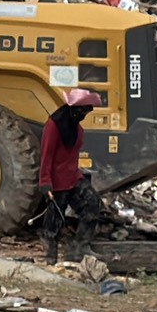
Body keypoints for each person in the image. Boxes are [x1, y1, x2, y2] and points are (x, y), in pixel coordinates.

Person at [38, 88, 103, 263]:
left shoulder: (77, 129)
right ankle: (50, 257)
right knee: (54, 222)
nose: (84, 115)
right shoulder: (54, 125)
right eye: (83, 111)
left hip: (73, 178)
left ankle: (79, 248)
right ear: (74, 109)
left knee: (92, 204)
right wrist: (45, 181)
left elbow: (72, 157)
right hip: (56, 182)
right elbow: (46, 154)